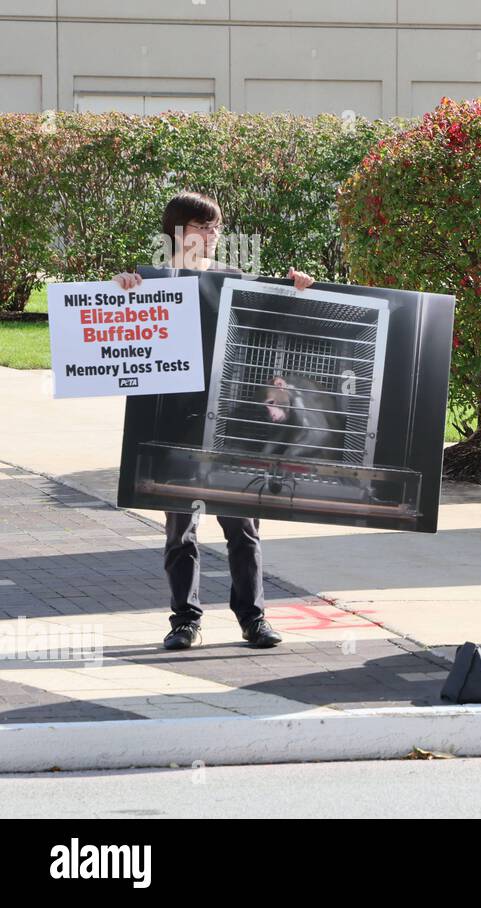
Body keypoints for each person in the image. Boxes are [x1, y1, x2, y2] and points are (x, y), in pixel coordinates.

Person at [113, 190, 315, 651]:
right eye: (204, 228)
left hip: (232, 423)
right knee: (180, 530)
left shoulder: (234, 280)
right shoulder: (150, 282)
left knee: (242, 528)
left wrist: (297, 288)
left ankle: (254, 619)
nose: (213, 236)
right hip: (174, 424)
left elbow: (274, 323)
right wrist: (120, 288)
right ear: (178, 233)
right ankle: (184, 620)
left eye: (217, 228)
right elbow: (116, 332)